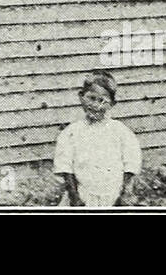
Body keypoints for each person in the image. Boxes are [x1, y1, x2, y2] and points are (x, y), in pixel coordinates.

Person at [53, 70, 141, 207]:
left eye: (102, 100)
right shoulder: (71, 133)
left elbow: (131, 164)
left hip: (113, 196)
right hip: (82, 196)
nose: (96, 105)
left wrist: (124, 194)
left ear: (112, 104)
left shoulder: (120, 132)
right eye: (92, 98)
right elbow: (65, 167)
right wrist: (75, 198)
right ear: (81, 97)